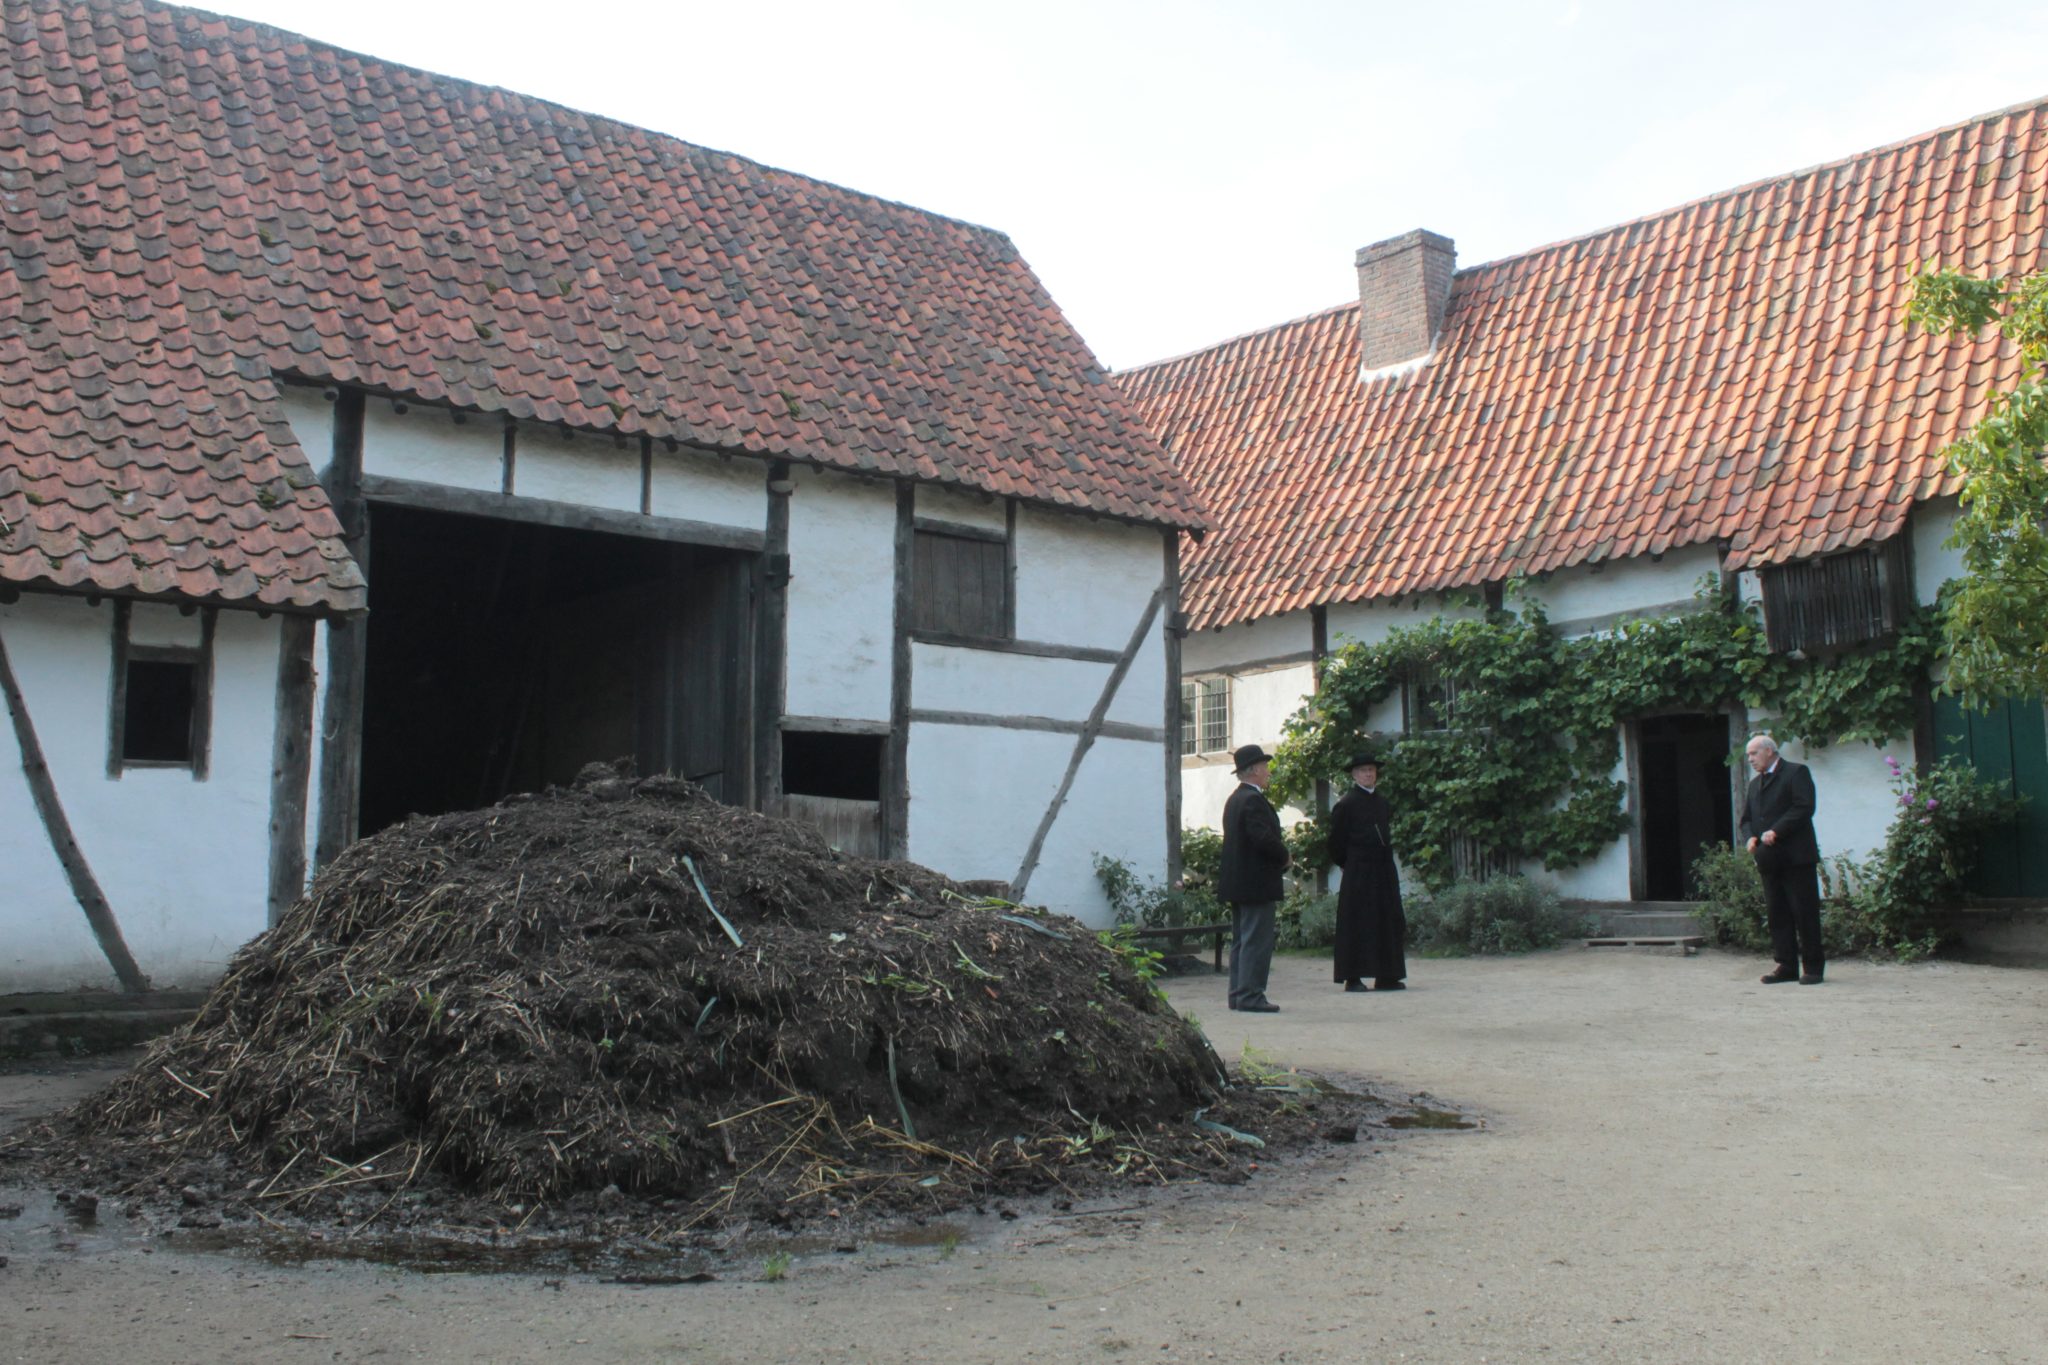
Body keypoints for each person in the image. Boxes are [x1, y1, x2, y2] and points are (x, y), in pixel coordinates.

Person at [1739, 733, 1824, 985]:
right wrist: (1750, 838)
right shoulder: (1755, 784)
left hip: (1796, 857)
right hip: (1768, 859)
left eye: (1754, 753)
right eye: (1748, 756)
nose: (1750, 759)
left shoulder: (1796, 773)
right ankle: (1786, 965)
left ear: (1769, 751)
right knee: (1777, 913)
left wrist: (1777, 830)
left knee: (1804, 912)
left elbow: (1804, 807)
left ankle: (1813, 968)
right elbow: (1746, 819)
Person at [1218, 743, 1290, 1012]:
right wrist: (1284, 856)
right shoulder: (1252, 800)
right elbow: (1263, 838)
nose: (1269, 772)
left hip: (1239, 882)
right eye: (1266, 768)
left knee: (1241, 940)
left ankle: (1238, 994)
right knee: (1256, 942)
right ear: (1256, 770)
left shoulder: (1235, 799)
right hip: (1256, 883)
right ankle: (1250, 995)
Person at [1328, 750, 1407, 992]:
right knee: (1357, 921)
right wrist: (1349, 864)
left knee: (1386, 919)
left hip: (1383, 870)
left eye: (1371, 770)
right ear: (1354, 775)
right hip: (1359, 871)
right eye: (1363, 771)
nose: (1368, 774)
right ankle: (1352, 977)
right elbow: (1335, 843)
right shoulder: (1346, 804)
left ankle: (1387, 975)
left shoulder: (1382, 802)